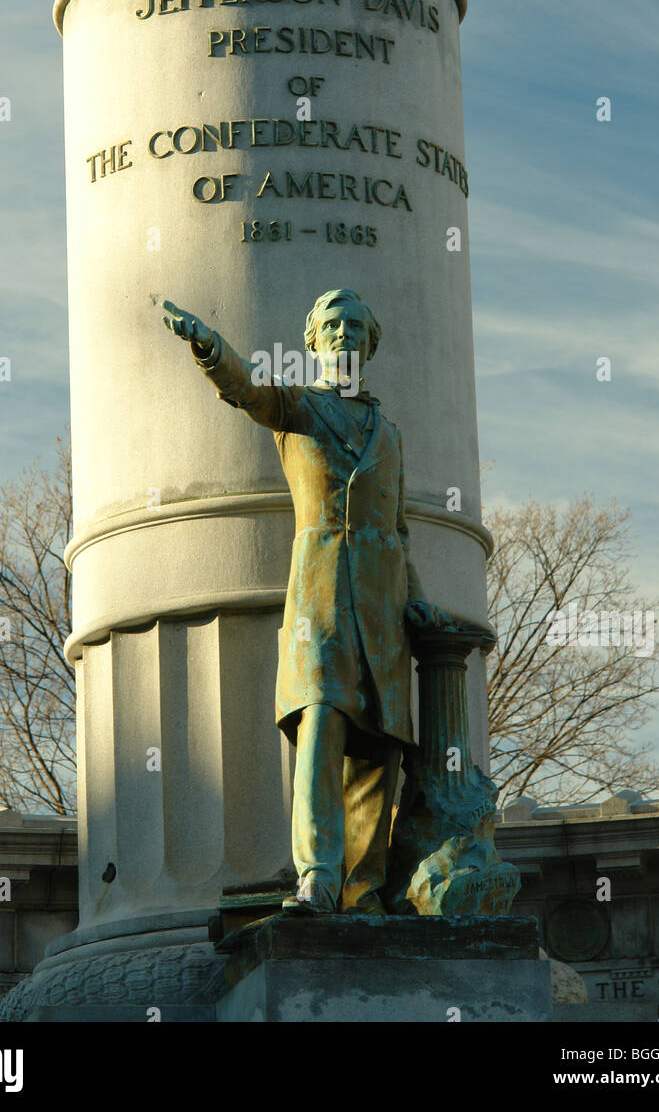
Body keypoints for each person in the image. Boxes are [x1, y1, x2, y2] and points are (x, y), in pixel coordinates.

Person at [164, 288, 438, 915]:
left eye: (355, 326)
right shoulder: (297, 408)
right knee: (322, 721)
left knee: (380, 750)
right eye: (332, 325)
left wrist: (417, 600)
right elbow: (246, 388)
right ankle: (317, 876)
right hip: (320, 597)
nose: (344, 334)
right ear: (313, 341)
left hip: (384, 606)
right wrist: (208, 346)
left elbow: (398, 531)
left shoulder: (390, 433)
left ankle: (364, 892)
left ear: (370, 344)